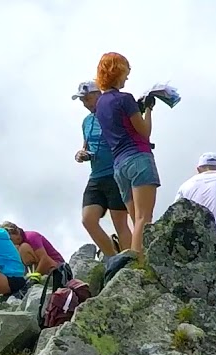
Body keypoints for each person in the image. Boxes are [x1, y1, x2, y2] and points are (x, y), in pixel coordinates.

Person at [93, 52, 160, 260]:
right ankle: (138, 260)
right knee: (143, 217)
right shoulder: (125, 98)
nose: (127, 77)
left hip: (119, 165)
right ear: (117, 71)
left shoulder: (100, 105)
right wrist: (147, 110)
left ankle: (136, 257)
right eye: (126, 72)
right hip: (138, 158)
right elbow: (144, 131)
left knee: (135, 217)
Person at [72, 80, 131, 257]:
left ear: (99, 95)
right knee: (88, 219)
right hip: (97, 175)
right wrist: (81, 154)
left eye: (87, 99)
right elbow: (87, 145)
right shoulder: (87, 121)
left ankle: (129, 260)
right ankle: (112, 257)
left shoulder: (113, 113)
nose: (85, 104)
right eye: (83, 101)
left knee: (119, 221)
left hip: (115, 172)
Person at [0, 221, 68, 276]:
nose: (11, 242)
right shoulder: (17, 245)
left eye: (10, 239)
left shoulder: (31, 237)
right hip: (43, 268)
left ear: (16, 233)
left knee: (24, 248)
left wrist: (35, 275)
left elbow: (44, 258)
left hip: (58, 267)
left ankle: (35, 274)